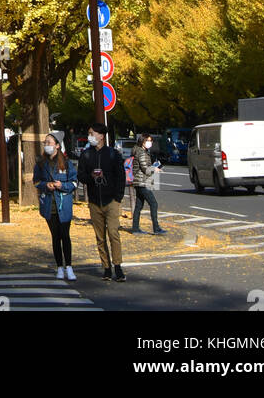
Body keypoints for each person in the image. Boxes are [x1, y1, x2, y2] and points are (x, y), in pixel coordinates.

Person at [76, 120, 126, 281]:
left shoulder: (113, 154)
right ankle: (106, 267)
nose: (90, 136)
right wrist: (90, 177)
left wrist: (118, 197)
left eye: (92, 134)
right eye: (89, 133)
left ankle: (117, 266)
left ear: (101, 136)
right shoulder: (86, 154)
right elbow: (80, 175)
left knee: (113, 233)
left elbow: (121, 177)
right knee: (100, 236)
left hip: (111, 200)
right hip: (94, 201)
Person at [33, 131, 77, 280]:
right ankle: (59, 267)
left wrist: (61, 185)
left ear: (57, 145)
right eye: (45, 143)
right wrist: (47, 185)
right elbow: (36, 182)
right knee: (55, 236)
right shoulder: (40, 163)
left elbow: (74, 183)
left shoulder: (66, 163)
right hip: (49, 205)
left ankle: (69, 267)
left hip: (63, 203)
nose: (47, 146)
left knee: (65, 235)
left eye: (49, 143)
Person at [131, 132, 165, 235]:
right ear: (142, 141)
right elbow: (145, 168)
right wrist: (155, 169)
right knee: (153, 204)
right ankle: (156, 228)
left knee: (138, 206)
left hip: (139, 181)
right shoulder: (141, 153)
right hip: (142, 182)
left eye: (151, 141)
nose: (150, 143)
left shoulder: (140, 151)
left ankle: (135, 228)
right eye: (147, 141)